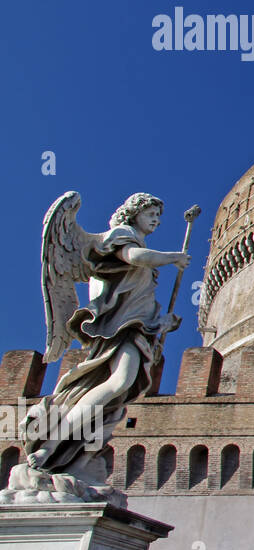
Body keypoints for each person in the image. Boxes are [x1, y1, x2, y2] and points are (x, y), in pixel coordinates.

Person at [25, 193, 189, 480]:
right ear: (133, 213)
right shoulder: (122, 236)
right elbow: (133, 257)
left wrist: (162, 323)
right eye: (150, 213)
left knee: (119, 393)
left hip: (136, 328)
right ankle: (51, 446)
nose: (156, 220)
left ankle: (68, 451)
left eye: (158, 216)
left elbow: (140, 300)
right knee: (120, 381)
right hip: (118, 328)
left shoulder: (139, 249)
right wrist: (171, 257)